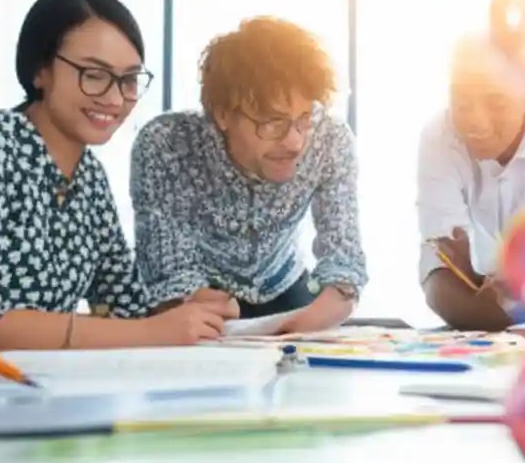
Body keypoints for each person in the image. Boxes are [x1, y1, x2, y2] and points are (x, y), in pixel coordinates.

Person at [0, 0, 234, 350]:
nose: (115, 98)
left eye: (129, 80)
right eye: (94, 74)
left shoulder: (89, 177)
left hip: (42, 387)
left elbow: (125, 303)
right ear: (40, 70)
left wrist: (187, 308)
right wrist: (152, 332)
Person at [132, 17, 367, 334]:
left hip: (286, 290)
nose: (295, 142)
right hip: (196, 298)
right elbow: (169, 276)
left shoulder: (331, 138)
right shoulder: (166, 143)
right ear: (224, 114)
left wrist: (300, 326)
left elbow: (345, 262)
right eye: (272, 123)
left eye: (304, 118)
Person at [417, 35, 525, 331]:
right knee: (443, 284)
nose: (476, 121)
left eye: (496, 102)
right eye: (462, 103)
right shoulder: (437, 137)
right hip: (462, 281)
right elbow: (445, 245)